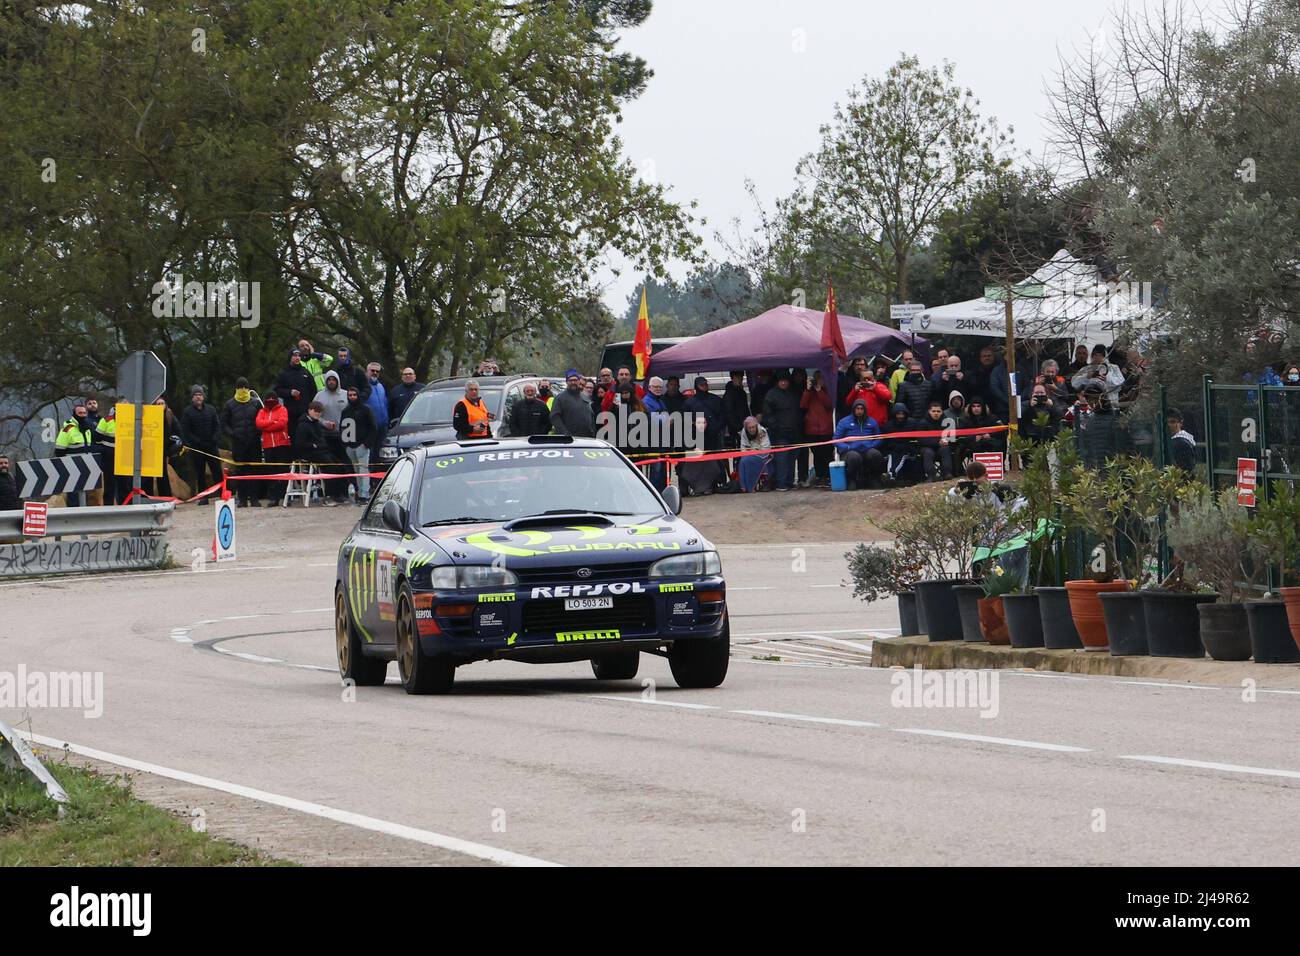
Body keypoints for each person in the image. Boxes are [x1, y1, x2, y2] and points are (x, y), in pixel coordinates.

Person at [220, 378, 264, 507]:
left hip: (254, 442)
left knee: (254, 471)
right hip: (238, 443)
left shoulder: (256, 403)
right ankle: (242, 499)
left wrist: (258, 432)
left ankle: (254, 498)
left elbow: (262, 419)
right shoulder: (229, 404)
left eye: (245, 387)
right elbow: (224, 424)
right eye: (240, 387)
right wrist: (232, 434)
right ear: (236, 389)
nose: (243, 389)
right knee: (240, 471)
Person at [293, 400, 346, 505]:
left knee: (340, 465)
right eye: (316, 411)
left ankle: (338, 494)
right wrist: (313, 446)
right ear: (309, 410)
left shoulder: (317, 424)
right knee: (330, 467)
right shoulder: (302, 425)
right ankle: (328, 496)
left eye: (320, 411)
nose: (318, 413)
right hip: (309, 453)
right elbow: (299, 444)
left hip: (322, 451)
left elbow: (321, 440)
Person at [181, 385, 222, 504]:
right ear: (192, 398)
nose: (198, 397)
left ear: (203, 397)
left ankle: (222, 493)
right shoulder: (188, 412)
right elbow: (186, 431)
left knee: (217, 471)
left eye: (200, 395)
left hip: (212, 446)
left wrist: (214, 438)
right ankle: (203, 497)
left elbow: (217, 425)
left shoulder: (211, 409)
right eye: (196, 395)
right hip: (197, 449)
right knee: (200, 473)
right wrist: (196, 443)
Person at [761, 370, 801, 491]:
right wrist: (776, 427)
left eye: (785, 380)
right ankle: (781, 483)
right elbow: (767, 414)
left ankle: (789, 482)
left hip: (793, 432)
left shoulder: (793, 393)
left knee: (792, 458)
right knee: (781, 459)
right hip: (779, 433)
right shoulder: (771, 395)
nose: (783, 383)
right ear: (777, 381)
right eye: (781, 381)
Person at [834, 398, 884, 490]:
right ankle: (852, 480)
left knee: (875, 454)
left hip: (867, 449)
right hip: (850, 451)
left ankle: (874, 478)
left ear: (865, 410)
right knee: (854, 457)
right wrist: (847, 447)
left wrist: (872, 445)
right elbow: (836, 439)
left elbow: (879, 437)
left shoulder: (872, 421)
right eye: (857, 408)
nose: (859, 411)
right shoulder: (844, 422)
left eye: (861, 409)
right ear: (854, 409)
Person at [340, 386, 377, 502]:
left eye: (354, 395)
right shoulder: (345, 411)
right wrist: (346, 445)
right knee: (356, 470)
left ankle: (364, 494)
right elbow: (343, 428)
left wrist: (366, 444)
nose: (352, 397)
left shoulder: (366, 410)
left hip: (362, 445)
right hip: (350, 446)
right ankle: (360, 493)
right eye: (350, 395)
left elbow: (373, 428)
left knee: (363, 469)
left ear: (358, 395)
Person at [256, 390, 293, 506]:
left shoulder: (283, 409)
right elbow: (258, 423)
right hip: (268, 445)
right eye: (269, 399)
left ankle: (285, 496)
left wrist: (267, 425)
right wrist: (273, 422)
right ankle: (273, 497)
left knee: (283, 470)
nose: (271, 401)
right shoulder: (262, 411)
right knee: (271, 471)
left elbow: (282, 423)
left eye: (273, 399)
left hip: (282, 444)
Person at [801, 370, 835, 487]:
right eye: (817, 379)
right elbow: (803, 405)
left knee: (827, 454)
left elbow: (829, 404)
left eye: (821, 378)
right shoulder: (809, 392)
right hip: (812, 429)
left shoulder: (828, 391)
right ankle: (820, 476)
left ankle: (827, 476)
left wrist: (819, 390)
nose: (819, 381)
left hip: (826, 429)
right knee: (817, 455)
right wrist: (808, 390)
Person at [273, 348, 317, 433]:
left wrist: (310, 407)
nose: (297, 358)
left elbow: (313, 390)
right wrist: (289, 392)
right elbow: (277, 390)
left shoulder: (305, 372)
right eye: (295, 356)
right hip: (291, 412)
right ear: (290, 358)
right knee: (293, 435)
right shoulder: (284, 373)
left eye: (299, 356)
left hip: (305, 412)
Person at [957, 395, 1004, 471]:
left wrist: (990, 435)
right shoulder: (964, 420)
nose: (976, 408)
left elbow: (1001, 430)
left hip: (989, 441)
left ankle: (997, 467)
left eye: (978, 406)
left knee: (998, 443)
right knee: (962, 447)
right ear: (970, 408)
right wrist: (973, 437)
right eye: (974, 406)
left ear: (983, 407)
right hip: (972, 443)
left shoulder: (992, 418)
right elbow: (961, 435)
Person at [915, 398, 955, 482]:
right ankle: (931, 476)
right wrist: (937, 442)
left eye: (938, 411)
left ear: (942, 412)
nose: (936, 413)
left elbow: (951, 436)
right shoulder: (922, 423)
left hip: (942, 446)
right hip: (926, 447)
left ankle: (947, 473)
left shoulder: (947, 422)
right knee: (928, 452)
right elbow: (921, 440)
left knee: (946, 449)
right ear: (929, 411)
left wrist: (947, 441)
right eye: (933, 411)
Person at [550, 370, 596, 438]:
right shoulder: (560, 398)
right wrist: (564, 433)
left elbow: (591, 416)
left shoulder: (584, 397)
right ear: (567, 382)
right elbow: (554, 417)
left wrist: (592, 431)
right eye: (570, 380)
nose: (573, 382)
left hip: (586, 438)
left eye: (575, 380)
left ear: (579, 381)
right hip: (569, 439)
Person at [881, 402, 919, 482]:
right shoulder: (888, 425)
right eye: (898, 414)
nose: (901, 416)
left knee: (902, 456)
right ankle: (890, 474)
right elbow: (886, 441)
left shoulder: (912, 423)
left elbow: (915, 438)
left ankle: (892, 474)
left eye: (902, 414)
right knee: (892, 456)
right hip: (893, 448)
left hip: (907, 448)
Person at [1020, 383, 1062, 449]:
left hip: (1049, 438)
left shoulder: (1052, 403)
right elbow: (1020, 416)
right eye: (1036, 393)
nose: (1039, 395)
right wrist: (1030, 407)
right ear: (1032, 394)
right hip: (1030, 438)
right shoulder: (1026, 404)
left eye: (1042, 393)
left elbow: (1060, 415)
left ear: (1046, 394)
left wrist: (1052, 407)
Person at [364, 363, 389, 468]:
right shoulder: (363, 386)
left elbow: (385, 404)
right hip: (369, 427)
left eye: (377, 371)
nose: (375, 373)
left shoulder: (380, 386)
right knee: (370, 454)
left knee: (381, 454)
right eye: (372, 370)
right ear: (367, 371)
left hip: (383, 426)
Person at [737, 416, 772, 492]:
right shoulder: (744, 432)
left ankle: (753, 485)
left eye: (753, 427)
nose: (751, 429)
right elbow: (743, 447)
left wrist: (754, 451)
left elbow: (766, 448)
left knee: (747, 460)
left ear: (756, 426)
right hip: (749, 454)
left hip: (762, 455)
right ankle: (745, 487)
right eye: (749, 428)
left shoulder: (762, 431)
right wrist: (747, 453)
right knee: (743, 461)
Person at [1166, 407, 1198, 476]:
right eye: (1167, 422)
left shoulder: (1180, 442)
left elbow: (1186, 468)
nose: (1169, 425)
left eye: (1173, 422)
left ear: (1181, 422)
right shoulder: (1186, 439)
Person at [723, 371, 749, 448]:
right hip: (736, 428)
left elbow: (745, 409)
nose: (740, 379)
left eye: (741, 377)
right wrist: (737, 427)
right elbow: (729, 413)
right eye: (738, 377)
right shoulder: (729, 394)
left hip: (744, 425)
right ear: (733, 378)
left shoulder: (741, 392)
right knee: (738, 446)